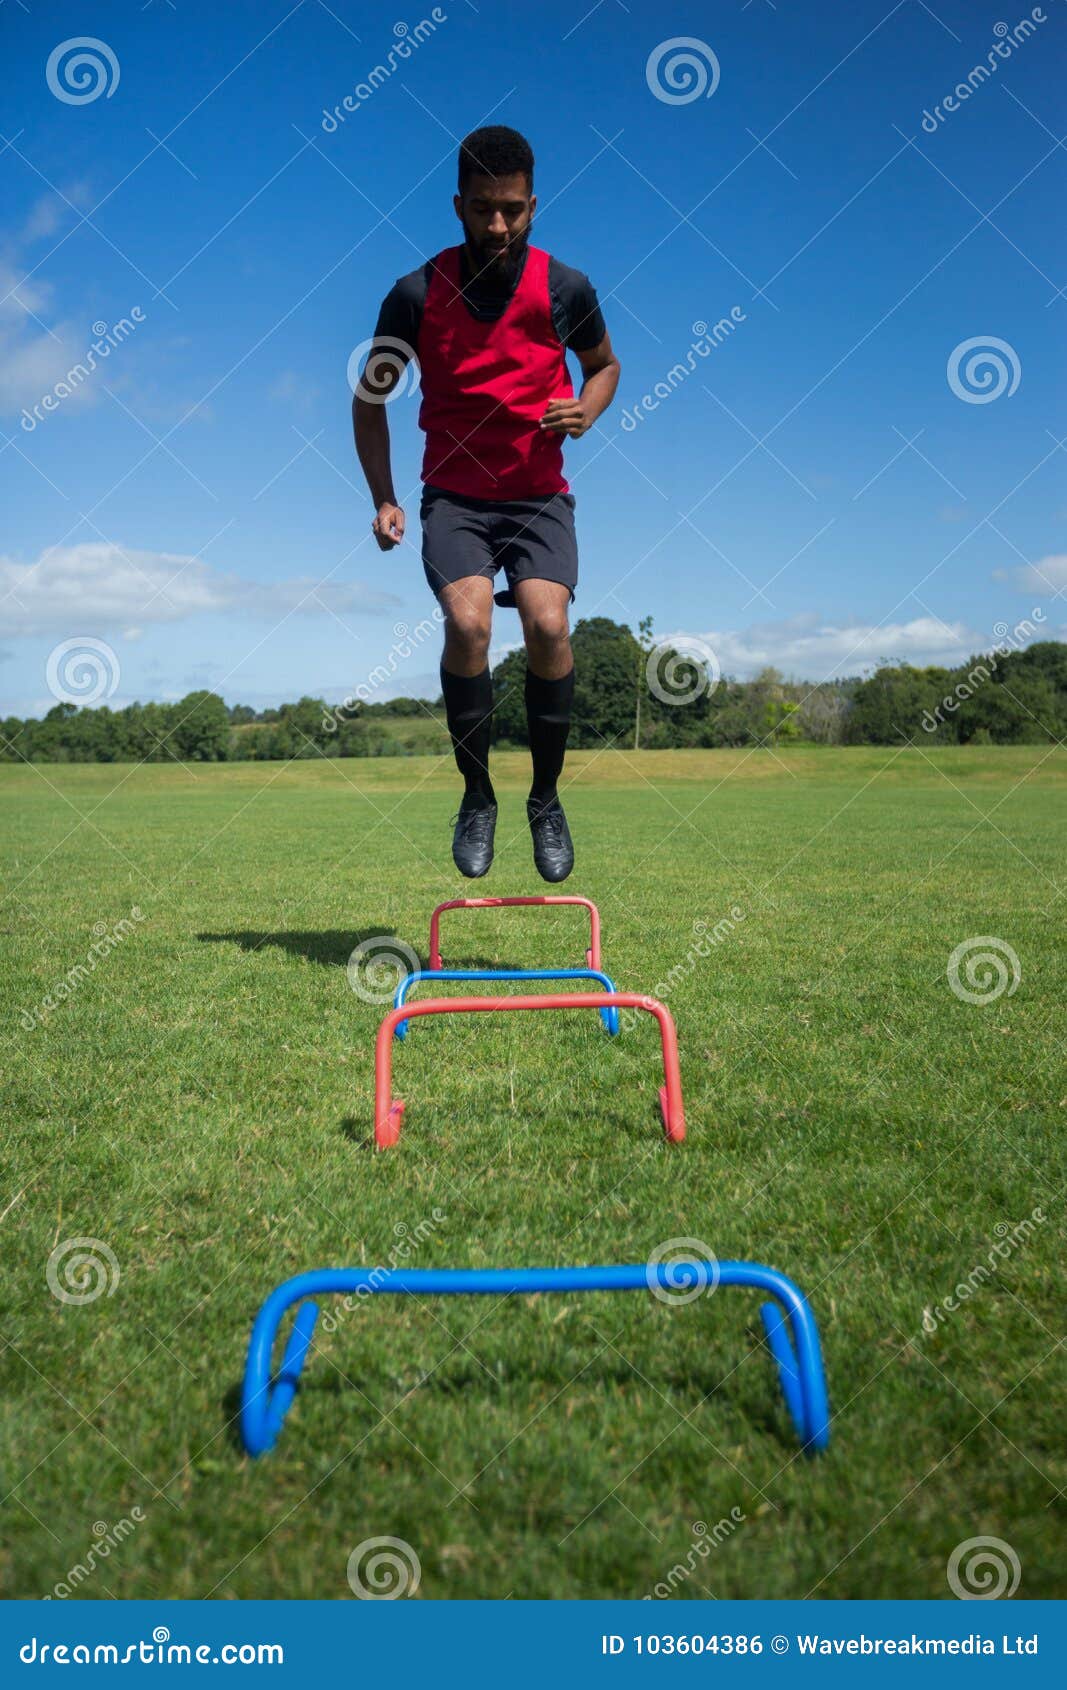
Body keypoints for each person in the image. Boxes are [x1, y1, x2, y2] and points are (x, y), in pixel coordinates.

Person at [353, 124, 620, 880]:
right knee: (467, 624)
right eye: (481, 209)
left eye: (511, 209)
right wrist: (385, 498)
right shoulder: (414, 295)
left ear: (532, 204)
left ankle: (544, 799)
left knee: (547, 623)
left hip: (539, 497)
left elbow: (603, 366)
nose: (496, 225)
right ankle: (477, 796)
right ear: (457, 206)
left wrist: (588, 407)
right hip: (456, 500)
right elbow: (367, 402)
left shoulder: (565, 288)